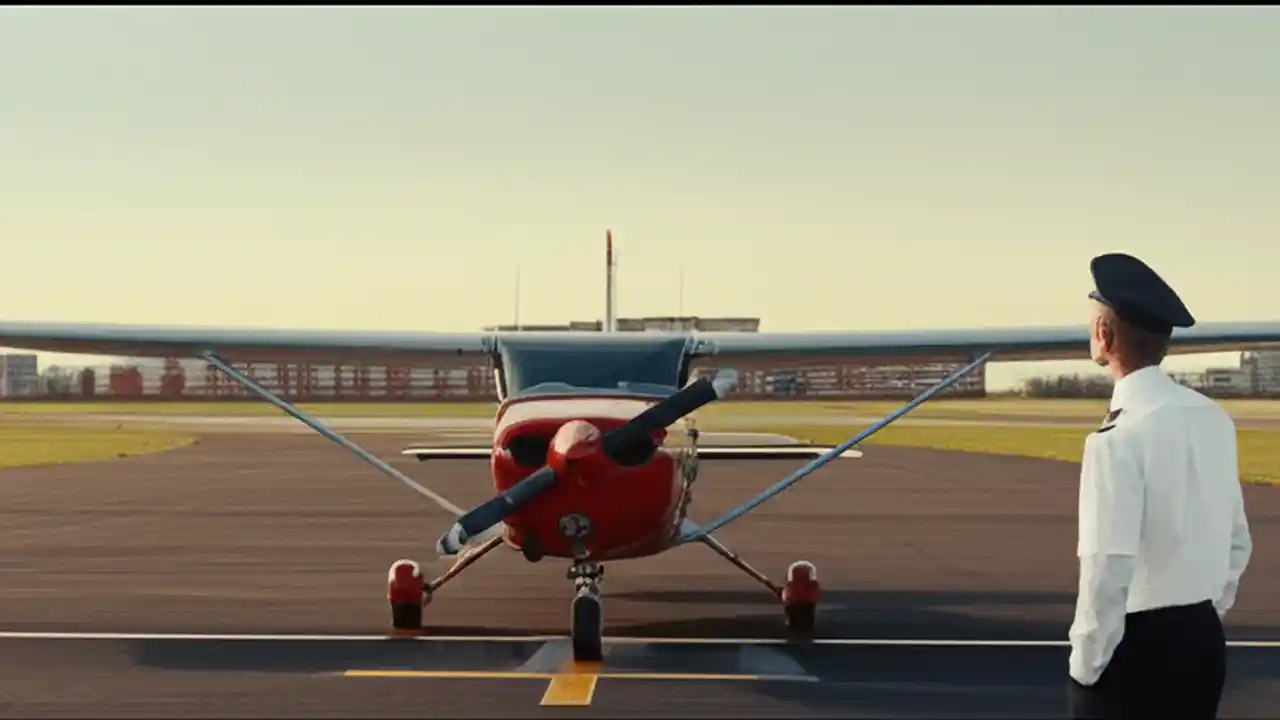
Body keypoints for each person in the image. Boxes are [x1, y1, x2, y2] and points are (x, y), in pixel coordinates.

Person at [1067, 252, 1253, 719]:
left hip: (1135, 655)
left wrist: (1087, 667)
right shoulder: (1212, 418)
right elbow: (1237, 541)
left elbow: (1106, 569)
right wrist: (1202, 616)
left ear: (1105, 336)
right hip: (1202, 643)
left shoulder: (1116, 438)